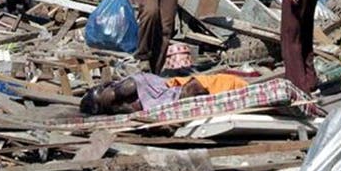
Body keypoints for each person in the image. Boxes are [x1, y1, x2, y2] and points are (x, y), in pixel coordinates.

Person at [79, 71, 247, 114]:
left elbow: (128, 86)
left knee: (195, 86)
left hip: (172, 91)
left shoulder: (128, 85)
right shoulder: (121, 105)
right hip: (173, 97)